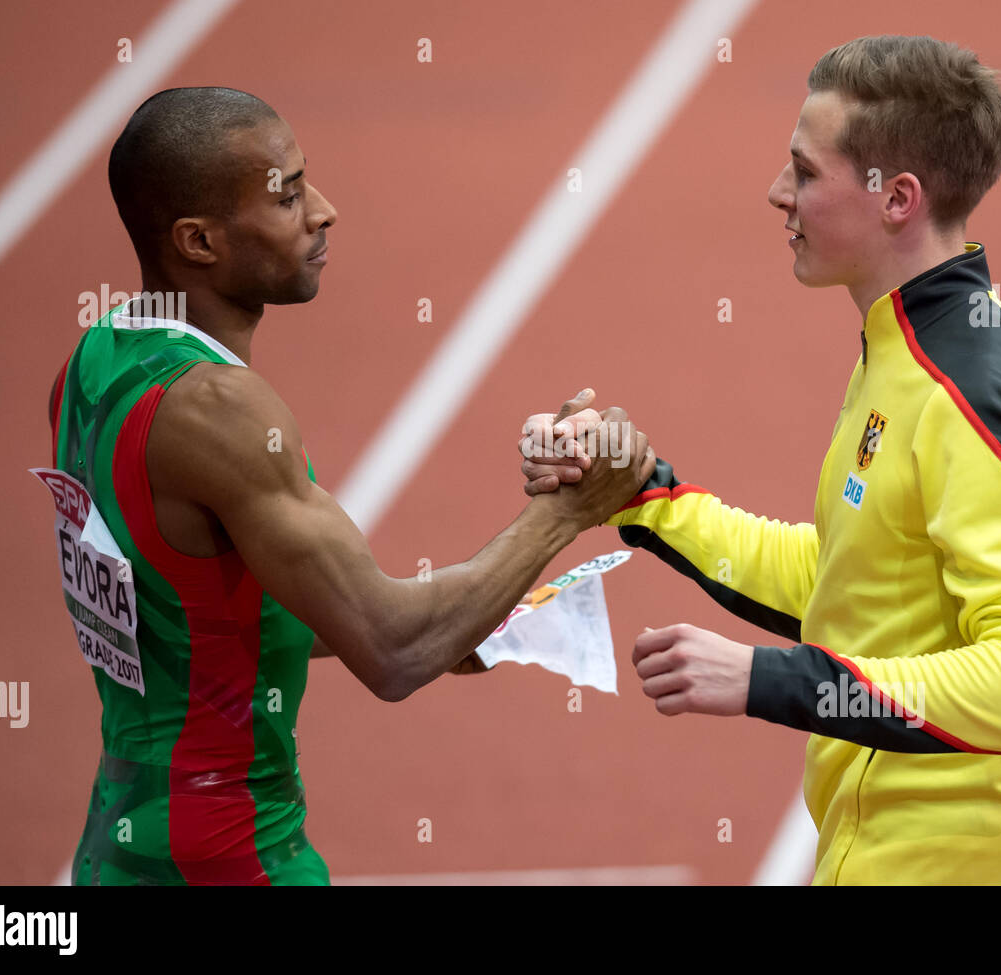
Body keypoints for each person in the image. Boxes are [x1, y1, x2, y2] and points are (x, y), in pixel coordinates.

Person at [40, 87, 652, 885]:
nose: (323, 211)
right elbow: (392, 650)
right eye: (287, 196)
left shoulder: (90, 367)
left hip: (119, 851)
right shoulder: (222, 411)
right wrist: (566, 512)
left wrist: (467, 619)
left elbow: (210, 608)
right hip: (237, 854)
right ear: (197, 241)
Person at [520, 36, 1001, 885]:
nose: (777, 193)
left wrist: (766, 679)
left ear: (896, 198)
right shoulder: (904, 351)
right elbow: (844, 585)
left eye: (806, 172)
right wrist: (642, 493)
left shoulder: (967, 390)